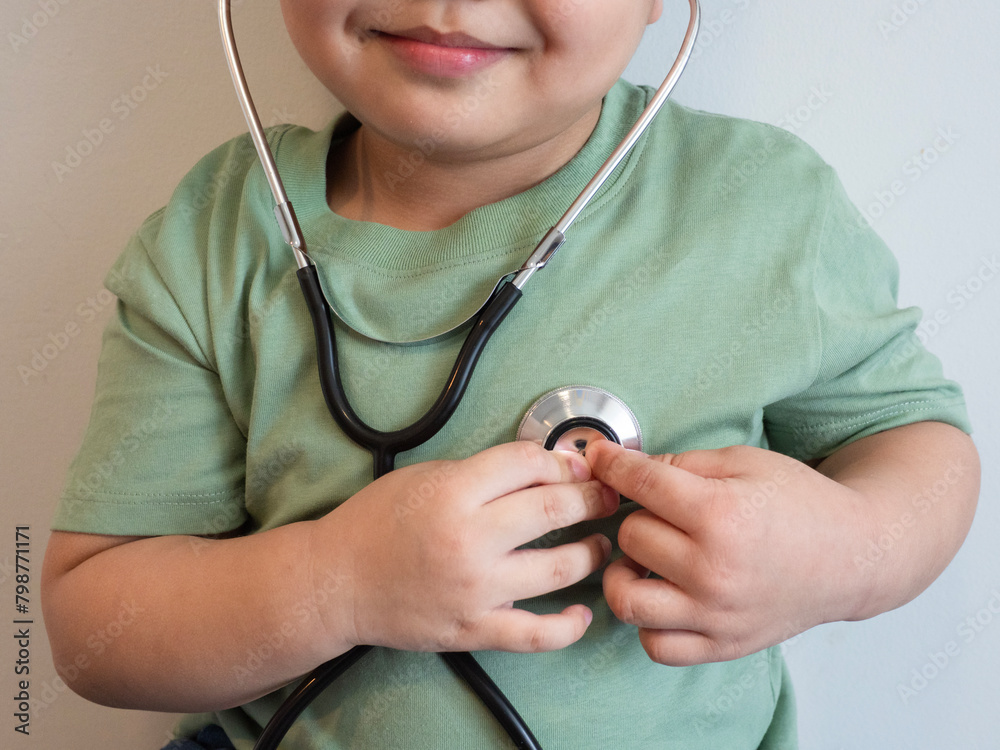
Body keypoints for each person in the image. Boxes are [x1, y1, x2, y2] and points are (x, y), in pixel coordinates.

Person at [41, 1, 979, 748]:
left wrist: (844, 552)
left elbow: (919, 444)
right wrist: (336, 583)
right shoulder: (217, 236)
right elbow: (94, 633)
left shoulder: (760, 207)